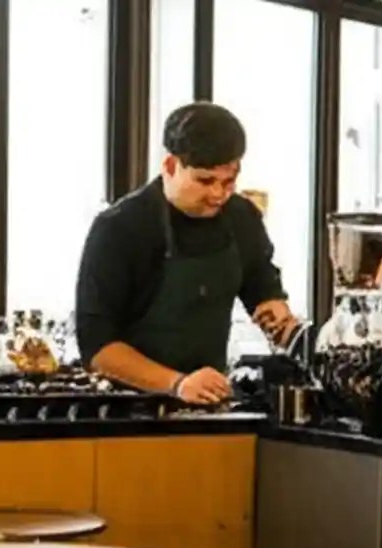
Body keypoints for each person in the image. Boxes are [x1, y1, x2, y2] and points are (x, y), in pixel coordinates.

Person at [74, 101, 298, 405]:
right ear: (170, 166)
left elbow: (264, 294)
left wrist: (286, 328)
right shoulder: (120, 228)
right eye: (205, 181)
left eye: (229, 181)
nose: (218, 194)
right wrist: (176, 384)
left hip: (210, 403)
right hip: (128, 412)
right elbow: (98, 350)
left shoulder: (241, 218)